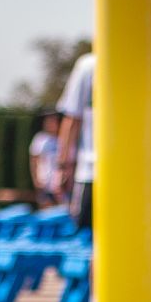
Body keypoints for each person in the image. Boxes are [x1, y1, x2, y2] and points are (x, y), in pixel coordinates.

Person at [55, 49, 96, 229]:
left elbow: (72, 119)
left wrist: (62, 166)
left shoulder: (89, 65)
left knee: (88, 235)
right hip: (134, 173)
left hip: (92, 171)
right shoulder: (141, 61)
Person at [28, 111, 62, 207]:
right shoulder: (40, 139)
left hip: (61, 184)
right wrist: (36, 180)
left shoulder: (63, 138)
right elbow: (34, 161)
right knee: (46, 208)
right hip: (45, 182)